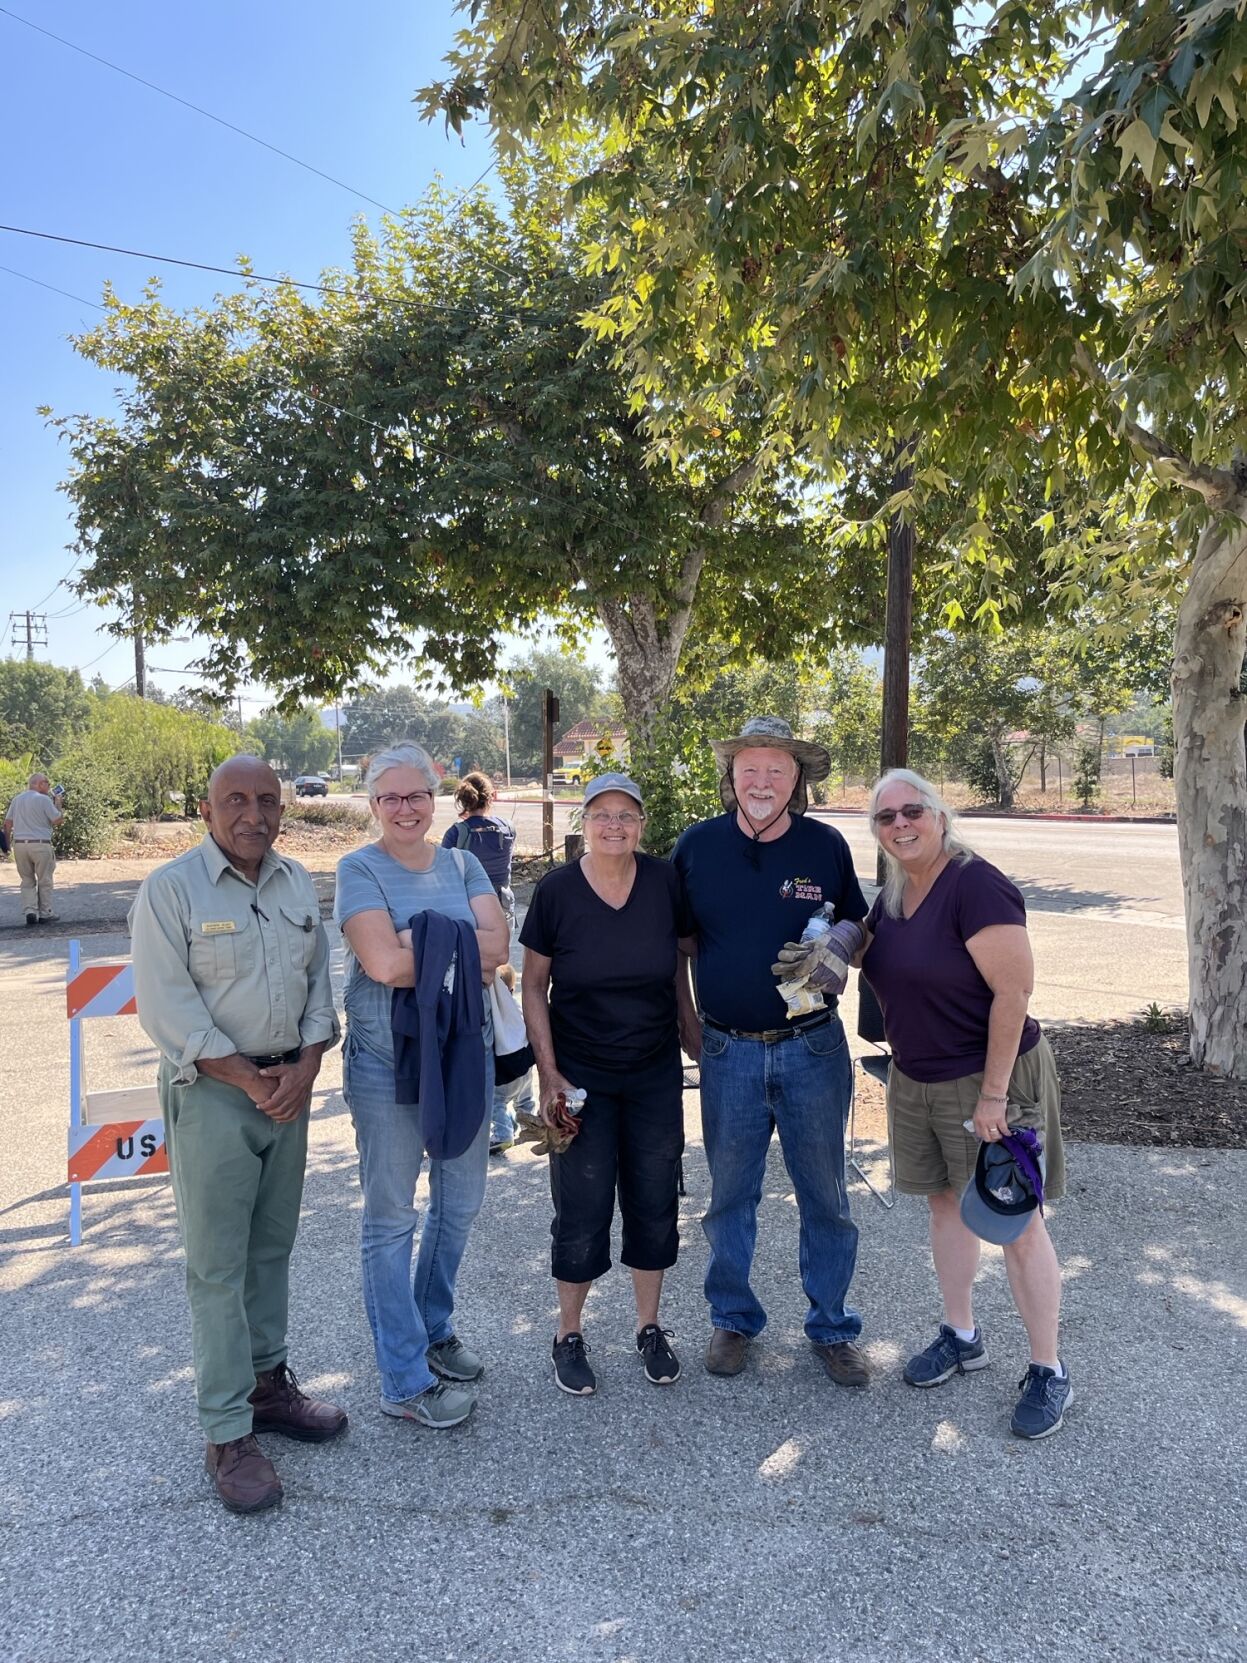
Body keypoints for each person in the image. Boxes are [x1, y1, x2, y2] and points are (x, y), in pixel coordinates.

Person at [128, 756, 346, 1515]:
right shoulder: (170, 889)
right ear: (206, 808)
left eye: (266, 801)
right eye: (235, 801)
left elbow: (320, 980)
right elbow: (167, 1005)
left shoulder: (292, 883)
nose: (252, 814)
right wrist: (251, 1079)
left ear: (283, 810)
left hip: (290, 1089)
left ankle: (266, 1384)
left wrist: (309, 1063)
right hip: (217, 1095)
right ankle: (225, 1430)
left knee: (271, 1248)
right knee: (218, 1265)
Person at [859, 768, 1071, 1439]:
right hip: (915, 1078)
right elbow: (865, 944)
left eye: (911, 811)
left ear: (939, 814)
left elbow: (1012, 994)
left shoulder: (974, 884)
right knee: (945, 1205)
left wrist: (993, 1094)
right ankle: (961, 1335)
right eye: (884, 817)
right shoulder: (893, 889)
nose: (899, 825)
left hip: (988, 1077)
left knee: (1013, 1219)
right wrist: (830, 946)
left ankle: (1047, 1368)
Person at [673, 717, 870, 1386]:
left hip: (812, 1048)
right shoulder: (696, 845)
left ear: (796, 781)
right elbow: (679, 943)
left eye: (775, 770)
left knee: (825, 1196)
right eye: (748, 769)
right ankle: (732, 1319)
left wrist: (841, 944)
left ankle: (832, 1326)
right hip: (727, 1048)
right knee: (729, 1196)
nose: (761, 781)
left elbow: (857, 919)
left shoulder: (825, 845)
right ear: (731, 778)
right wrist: (685, 1021)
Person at [336, 743, 509, 1430]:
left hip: (461, 1055)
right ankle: (403, 1378)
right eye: (390, 798)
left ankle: (432, 1324)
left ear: (434, 798)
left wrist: (424, 938)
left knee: (459, 1202)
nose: (404, 808)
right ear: (374, 805)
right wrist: (454, 941)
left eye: (415, 795)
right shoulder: (359, 869)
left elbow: (499, 949)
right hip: (386, 1065)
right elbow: (380, 962)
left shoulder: (462, 862)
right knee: (390, 1221)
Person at [520, 772, 692, 1395]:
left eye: (626, 815)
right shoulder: (558, 891)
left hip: (652, 1073)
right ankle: (569, 1334)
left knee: (654, 1200)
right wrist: (549, 1074)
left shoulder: (665, 881)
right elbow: (532, 985)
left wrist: (691, 1028)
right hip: (581, 1075)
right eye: (602, 814)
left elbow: (679, 963)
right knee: (584, 1204)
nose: (614, 825)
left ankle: (649, 1327)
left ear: (642, 825)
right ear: (583, 822)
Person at [441, 772, 522, 1151]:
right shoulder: (505, 828)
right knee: (499, 975)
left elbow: (442, 872)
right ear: (492, 796)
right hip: (501, 906)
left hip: (468, 911)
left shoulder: (456, 834)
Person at [3, 772, 65, 925]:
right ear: (39, 784)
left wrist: (7, 846)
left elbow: (7, 824)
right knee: (45, 879)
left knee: (27, 879)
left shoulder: (17, 799)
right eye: (47, 783)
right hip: (40, 844)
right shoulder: (43, 800)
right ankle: (46, 912)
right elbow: (57, 820)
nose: (49, 786)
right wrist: (58, 803)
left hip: (20, 845)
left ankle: (30, 910)